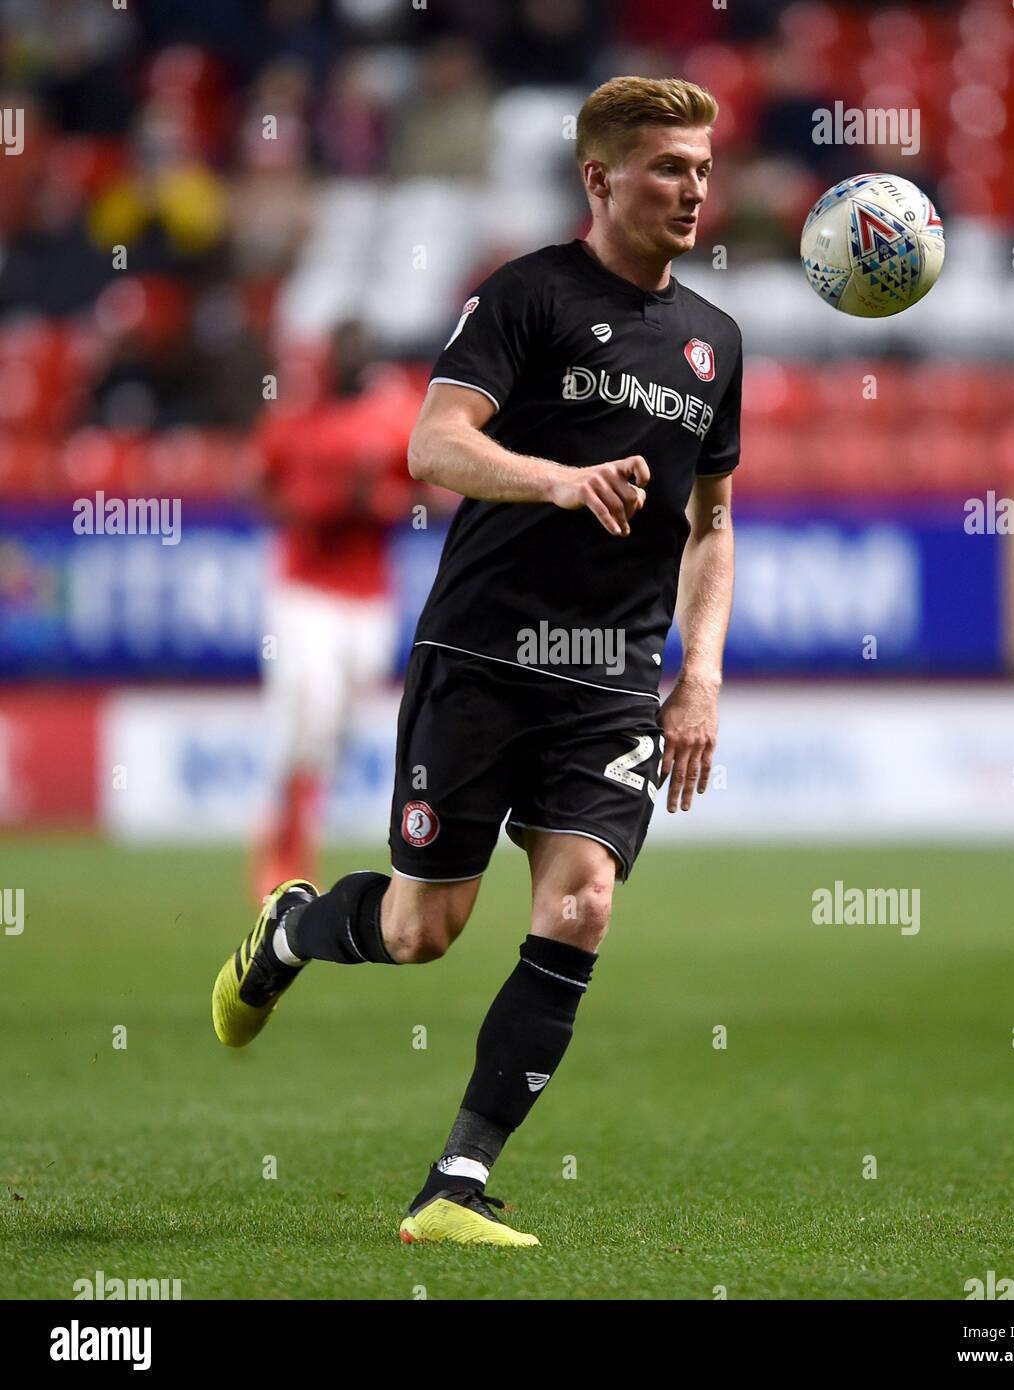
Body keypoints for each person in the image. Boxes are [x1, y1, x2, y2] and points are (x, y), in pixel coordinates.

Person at [212, 75, 742, 1248]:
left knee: (582, 902)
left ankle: (454, 1184)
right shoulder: (524, 295)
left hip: (610, 673)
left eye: (701, 168)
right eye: (666, 166)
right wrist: (558, 478)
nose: (692, 187)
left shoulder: (713, 343)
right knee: (421, 930)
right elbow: (432, 441)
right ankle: (290, 930)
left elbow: (711, 524)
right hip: (484, 651)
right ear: (599, 178)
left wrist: (697, 673)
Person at [251, 320, 417, 899]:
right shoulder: (294, 418)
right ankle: (286, 848)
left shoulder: (393, 419)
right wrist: (320, 504)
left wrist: (387, 501)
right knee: (312, 714)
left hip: (369, 597)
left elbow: (432, 491)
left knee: (338, 728)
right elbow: (259, 488)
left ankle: (289, 827)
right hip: (306, 591)